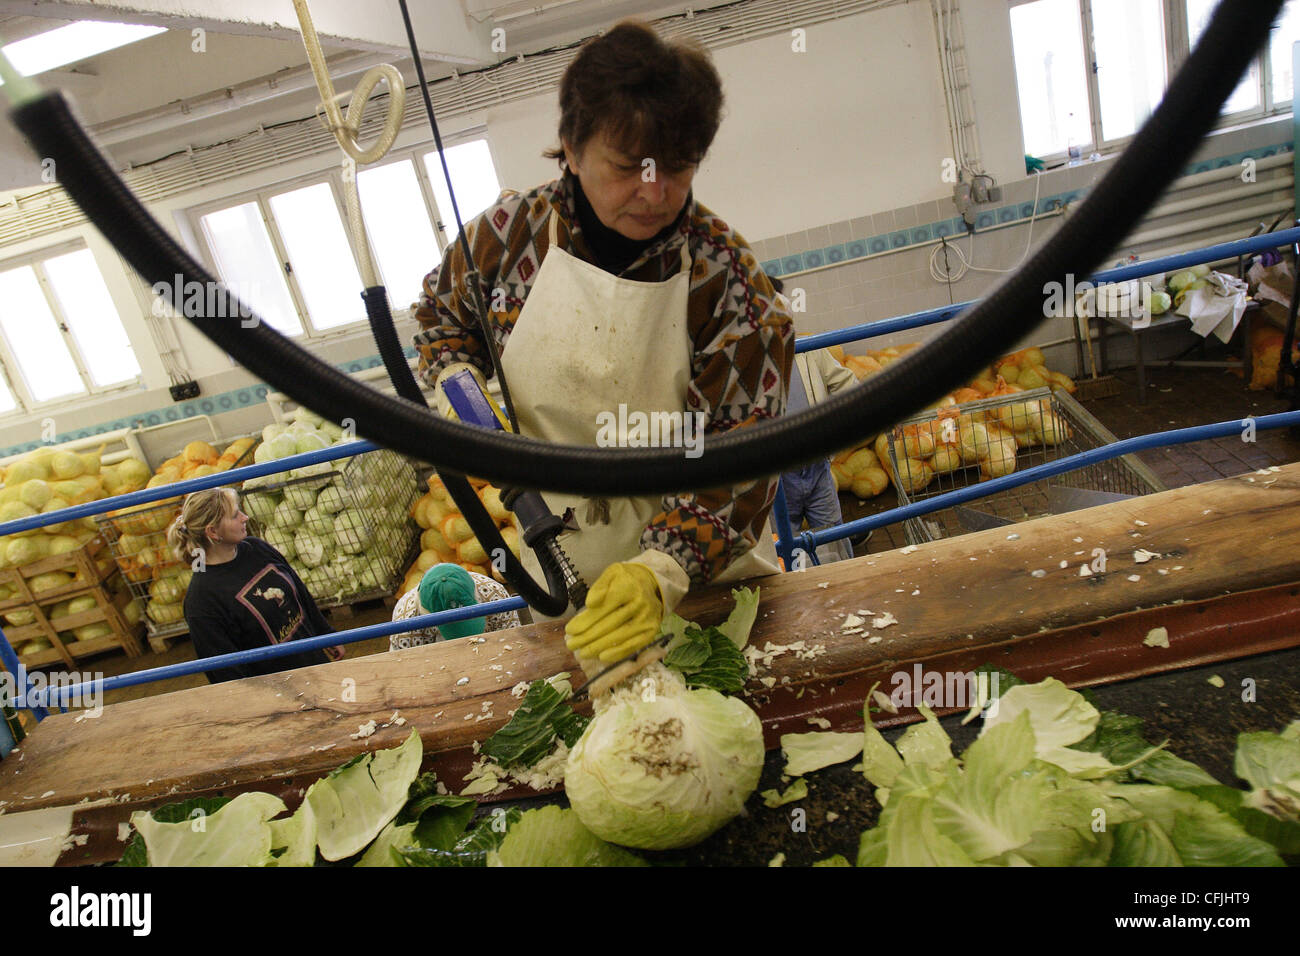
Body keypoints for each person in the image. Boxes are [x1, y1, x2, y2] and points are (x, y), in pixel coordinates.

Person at [414, 20, 793, 668]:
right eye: (627, 169)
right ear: (571, 145)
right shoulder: (504, 242)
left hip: (709, 584)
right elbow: (441, 321)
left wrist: (662, 570)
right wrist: (461, 394)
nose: (655, 194)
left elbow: (743, 453)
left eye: (677, 169)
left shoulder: (726, 279)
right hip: (564, 570)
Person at [168, 488, 343, 684]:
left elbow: (299, 592)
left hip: (316, 666)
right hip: (281, 693)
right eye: (235, 515)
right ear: (213, 531)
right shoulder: (202, 601)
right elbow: (225, 672)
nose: (245, 517)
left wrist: (325, 633)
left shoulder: (256, 548)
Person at [771, 277, 858, 564]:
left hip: (816, 468)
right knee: (783, 551)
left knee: (835, 538)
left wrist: (878, 410)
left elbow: (846, 384)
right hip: (777, 480)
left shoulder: (809, 349)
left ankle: (847, 588)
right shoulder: (750, 365)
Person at [389, 563, 520, 651]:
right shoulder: (405, 623)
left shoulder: (494, 594)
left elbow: (514, 642)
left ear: (476, 595)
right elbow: (410, 672)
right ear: (426, 613)